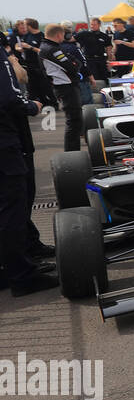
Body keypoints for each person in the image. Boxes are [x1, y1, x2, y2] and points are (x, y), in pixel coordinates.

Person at [0, 50, 57, 296]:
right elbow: (9, 98)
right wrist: (32, 106)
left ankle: (9, 270)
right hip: (4, 141)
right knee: (13, 207)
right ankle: (22, 276)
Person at [40, 24, 83, 151]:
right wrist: (74, 64)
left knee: (75, 120)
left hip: (64, 86)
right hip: (65, 87)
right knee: (74, 121)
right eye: (63, 35)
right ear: (59, 35)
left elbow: (76, 62)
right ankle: (72, 154)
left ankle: (73, 153)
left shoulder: (50, 47)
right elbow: (72, 66)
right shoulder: (52, 49)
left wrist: (74, 63)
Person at [75, 17, 113, 82]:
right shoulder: (84, 34)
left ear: (99, 25)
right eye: (91, 24)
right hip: (90, 60)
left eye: (94, 24)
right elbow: (71, 39)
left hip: (101, 59)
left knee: (104, 78)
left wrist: (109, 61)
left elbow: (108, 49)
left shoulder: (104, 36)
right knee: (95, 78)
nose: (92, 26)